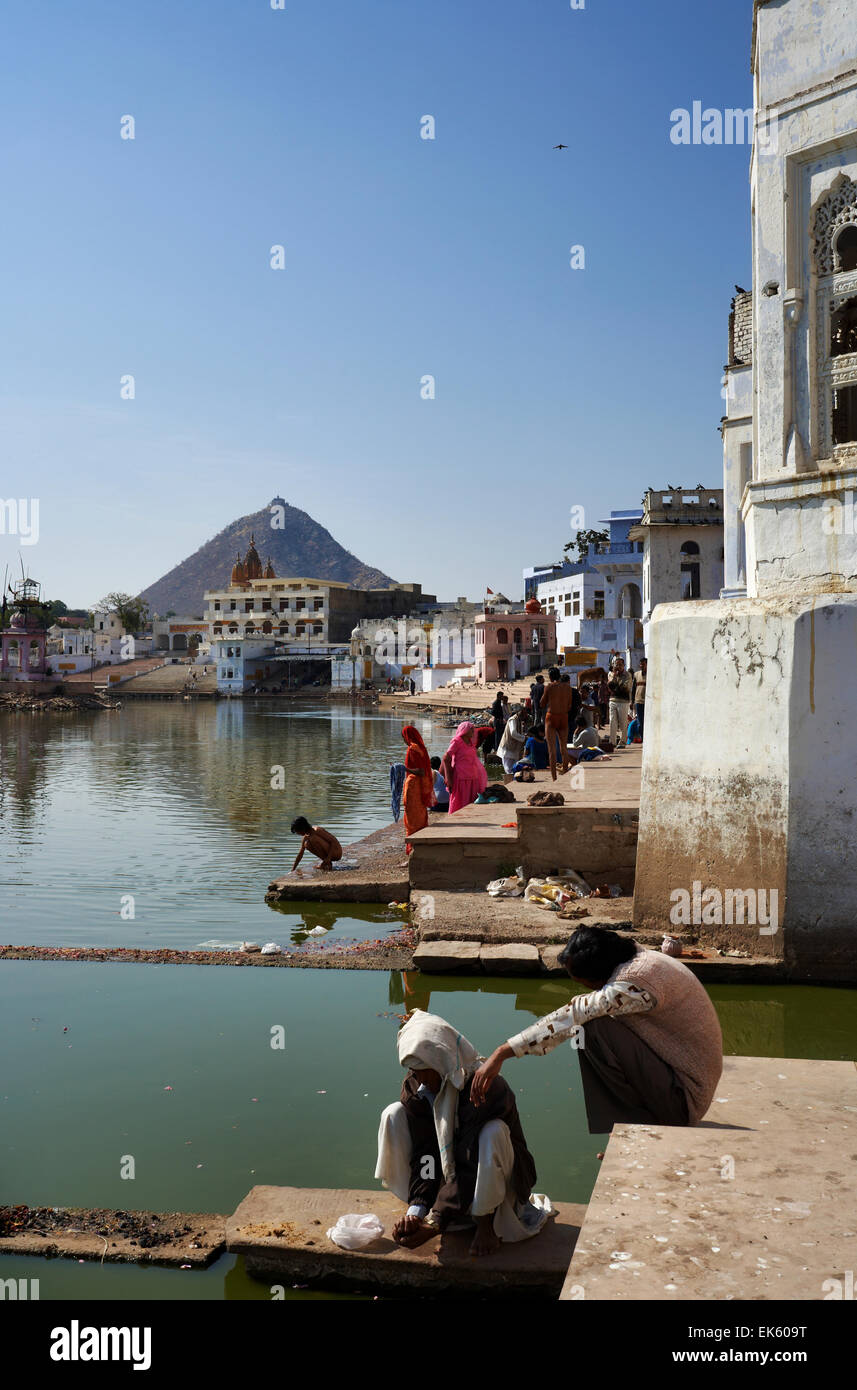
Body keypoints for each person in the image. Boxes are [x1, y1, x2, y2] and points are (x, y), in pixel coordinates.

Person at [470, 927, 723, 1135]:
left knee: (592, 1028)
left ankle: (631, 1126)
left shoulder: (633, 983)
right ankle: (628, 1123)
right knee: (595, 1021)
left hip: (683, 1101)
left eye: (584, 983)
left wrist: (501, 1053)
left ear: (598, 976)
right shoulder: (634, 958)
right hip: (681, 1084)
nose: (585, 989)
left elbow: (572, 1016)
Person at [375, 1010, 551, 1256]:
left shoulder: (483, 1088)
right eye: (412, 1069)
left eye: (423, 1069)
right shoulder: (417, 1085)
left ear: (442, 1060)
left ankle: (485, 1221)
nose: (419, 1077)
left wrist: (436, 1222)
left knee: (492, 1133)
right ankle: (423, 1205)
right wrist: (419, 1208)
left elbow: (468, 1162)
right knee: (393, 1114)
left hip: (493, 1178)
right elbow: (425, 1153)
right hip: (449, 1179)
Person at [439, 721, 488, 813]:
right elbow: (446, 757)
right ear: (465, 730)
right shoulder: (457, 742)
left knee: (471, 800)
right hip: (461, 777)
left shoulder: (471, 742)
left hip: (473, 777)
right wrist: (448, 778)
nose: (474, 731)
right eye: (471, 729)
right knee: (459, 800)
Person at [401, 725, 435, 851]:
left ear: (407, 737)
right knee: (420, 816)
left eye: (404, 738)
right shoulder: (421, 748)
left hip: (413, 787)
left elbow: (420, 771)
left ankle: (412, 849)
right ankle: (420, 847)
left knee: (412, 819)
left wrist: (404, 768)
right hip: (419, 787)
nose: (404, 741)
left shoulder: (412, 749)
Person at [539, 666, 575, 780]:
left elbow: (542, 704)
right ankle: (564, 771)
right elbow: (569, 705)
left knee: (552, 749)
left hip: (551, 717)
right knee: (563, 747)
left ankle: (554, 777)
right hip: (563, 717)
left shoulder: (549, 687)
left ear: (550, 677)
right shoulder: (568, 688)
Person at [607, 657, 633, 747]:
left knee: (623, 723)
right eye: (616, 664)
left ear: (624, 665)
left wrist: (615, 686)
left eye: (620, 665)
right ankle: (612, 742)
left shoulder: (627, 675)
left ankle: (622, 741)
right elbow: (610, 686)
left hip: (623, 701)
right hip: (613, 700)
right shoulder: (611, 674)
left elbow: (625, 688)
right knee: (612, 721)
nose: (618, 666)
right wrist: (614, 676)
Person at [496, 706, 530, 774]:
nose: (526, 715)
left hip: (514, 749)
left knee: (514, 769)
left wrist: (524, 736)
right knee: (509, 770)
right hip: (508, 748)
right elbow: (513, 733)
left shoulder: (519, 720)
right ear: (520, 712)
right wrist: (524, 738)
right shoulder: (513, 719)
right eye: (524, 713)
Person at [632, 657, 647, 740]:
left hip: (648, 702)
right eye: (640, 664)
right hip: (638, 701)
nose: (641, 666)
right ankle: (643, 738)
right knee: (640, 722)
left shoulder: (650, 675)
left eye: (643, 664)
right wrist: (632, 701)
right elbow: (633, 689)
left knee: (647, 721)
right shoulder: (636, 674)